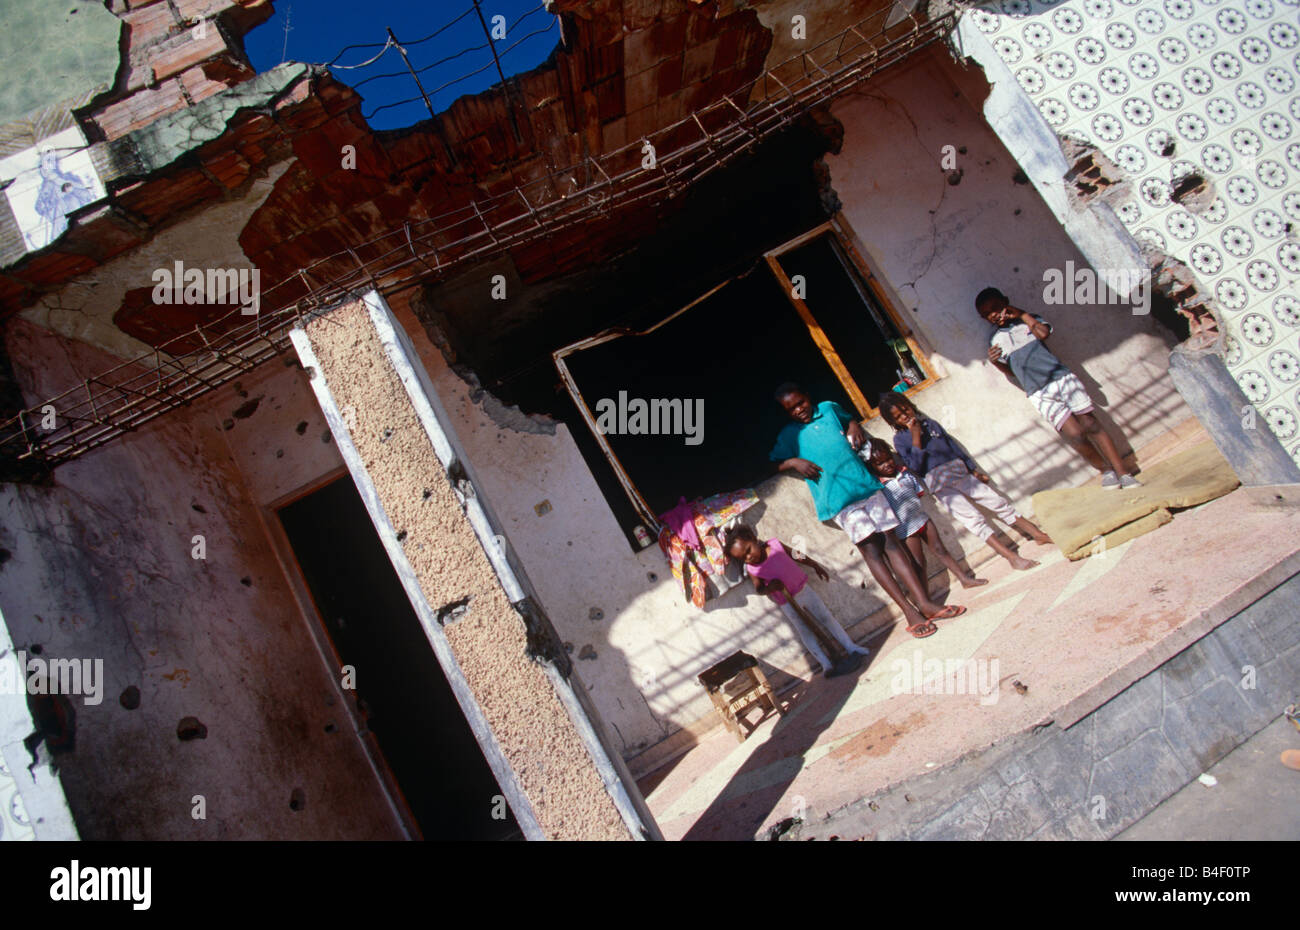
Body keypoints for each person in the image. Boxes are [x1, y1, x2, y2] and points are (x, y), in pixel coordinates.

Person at [769, 383, 964, 639]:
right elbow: (775, 462)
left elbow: (848, 420)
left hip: (867, 487)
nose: (798, 410)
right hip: (839, 501)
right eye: (791, 409)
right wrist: (794, 461)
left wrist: (853, 426)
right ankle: (909, 612)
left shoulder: (828, 409)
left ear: (808, 396)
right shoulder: (789, 436)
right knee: (872, 552)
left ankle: (925, 603)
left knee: (892, 544)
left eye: (800, 403)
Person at [977, 287, 1140, 490]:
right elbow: (1011, 372)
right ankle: (1105, 471)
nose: (993, 315)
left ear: (1006, 301)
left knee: (1091, 424)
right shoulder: (995, 341)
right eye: (986, 314)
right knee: (1075, 435)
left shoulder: (1028, 320)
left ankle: (1123, 471)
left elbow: (1043, 333)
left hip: (1060, 378)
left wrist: (1022, 314)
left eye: (995, 308)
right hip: (1039, 392)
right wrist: (995, 363)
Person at [879, 391, 1052, 571]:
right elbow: (915, 465)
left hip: (961, 474)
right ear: (893, 422)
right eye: (898, 417)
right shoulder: (899, 440)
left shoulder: (930, 424)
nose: (905, 416)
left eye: (905, 409)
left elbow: (954, 448)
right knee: (973, 519)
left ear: (910, 405)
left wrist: (973, 469)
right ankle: (1011, 557)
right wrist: (915, 437)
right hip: (941, 486)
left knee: (998, 503)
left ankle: (1037, 534)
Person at [725, 525, 868, 678]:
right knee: (805, 631)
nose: (748, 557)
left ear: (753, 538)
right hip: (788, 603)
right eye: (742, 558)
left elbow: (796, 555)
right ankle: (825, 664)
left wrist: (814, 565)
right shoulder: (752, 569)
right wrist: (770, 587)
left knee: (827, 618)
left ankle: (851, 647)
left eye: (748, 550)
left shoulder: (775, 545)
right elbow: (759, 589)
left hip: (804, 591)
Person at [861, 437, 988, 593]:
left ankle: (964, 578)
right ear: (871, 466)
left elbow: (918, 493)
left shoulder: (905, 473)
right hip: (905, 530)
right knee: (918, 563)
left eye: (888, 459)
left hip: (922, 518)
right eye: (880, 463)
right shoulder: (879, 485)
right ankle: (925, 598)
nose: (887, 464)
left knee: (940, 549)